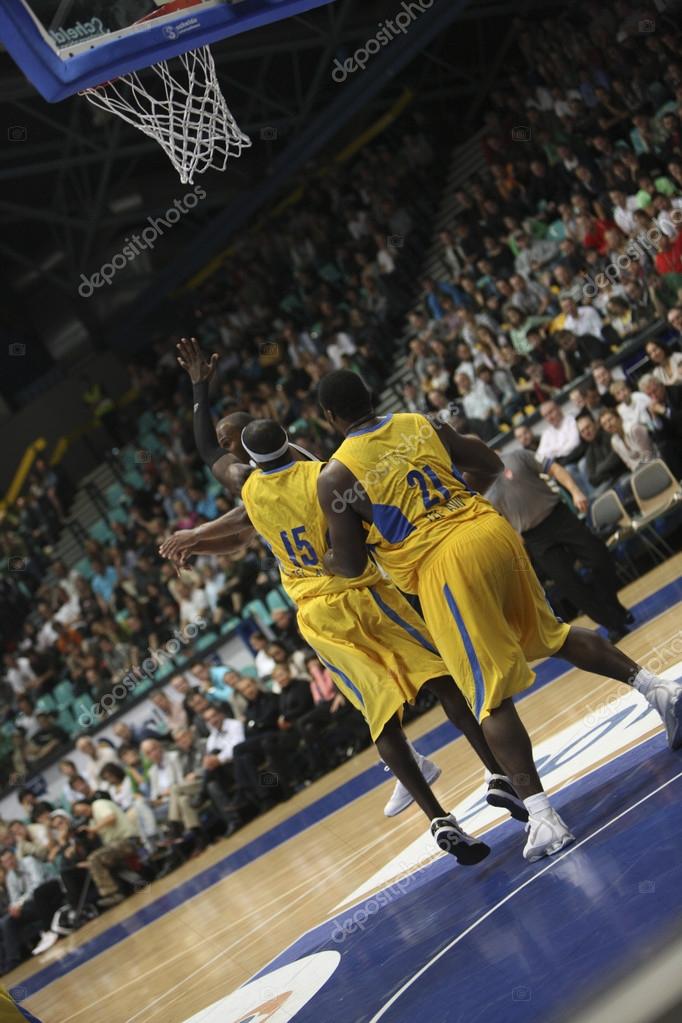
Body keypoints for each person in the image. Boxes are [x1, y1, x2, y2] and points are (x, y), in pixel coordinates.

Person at [315, 369, 682, 862]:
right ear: (369, 396)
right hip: (491, 529)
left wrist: (324, 560)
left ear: (329, 418)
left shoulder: (335, 475)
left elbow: (353, 563)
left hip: (444, 565)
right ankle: (659, 690)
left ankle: (543, 816)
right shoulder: (420, 422)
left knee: (487, 695)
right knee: (553, 635)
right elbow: (489, 464)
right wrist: (451, 501)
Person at [160, 419, 530, 863]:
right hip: (363, 593)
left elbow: (237, 527)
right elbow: (356, 527)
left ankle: (439, 818)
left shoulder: (252, 494)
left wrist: (197, 538)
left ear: (250, 458)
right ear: (290, 444)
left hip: (318, 616)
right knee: (443, 682)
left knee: (382, 721)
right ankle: (497, 772)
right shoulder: (323, 476)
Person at [486, 448, 633, 642]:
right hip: (534, 536)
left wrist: (575, 491)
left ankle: (612, 607)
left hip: (557, 516)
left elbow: (554, 468)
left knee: (599, 558)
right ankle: (613, 623)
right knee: (568, 583)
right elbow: (500, 520)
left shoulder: (517, 456)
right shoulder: (482, 488)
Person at [70, 796, 139, 909]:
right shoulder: (91, 821)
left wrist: (94, 829)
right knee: (93, 860)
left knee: (94, 858)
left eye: (79, 808)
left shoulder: (98, 804)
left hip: (127, 841)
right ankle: (129, 886)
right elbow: (93, 839)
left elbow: (111, 817)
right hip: (114, 847)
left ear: (85, 803)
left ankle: (112, 894)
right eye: (77, 813)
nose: (80, 812)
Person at [0, 850, 62, 968]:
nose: (10, 862)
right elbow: (14, 899)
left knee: (37, 894)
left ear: (14, 856)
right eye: (6, 862)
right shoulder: (10, 877)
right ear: (3, 865)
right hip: (29, 904)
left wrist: (20, 903)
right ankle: (12, 960)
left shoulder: (29, 861)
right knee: (7, 921)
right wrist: (14, 908)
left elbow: (38, 883)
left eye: (10, 858)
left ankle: (48, 931)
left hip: (49, 891)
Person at [599, 408, 657, 472]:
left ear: (619, 418)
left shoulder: (635, 429)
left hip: (656, 463)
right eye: (604, 425)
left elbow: (649, 454)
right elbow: (629, 463)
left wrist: (640, 471)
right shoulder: (614, 441)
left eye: (610, 420)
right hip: (640, 471)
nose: (608, 425)